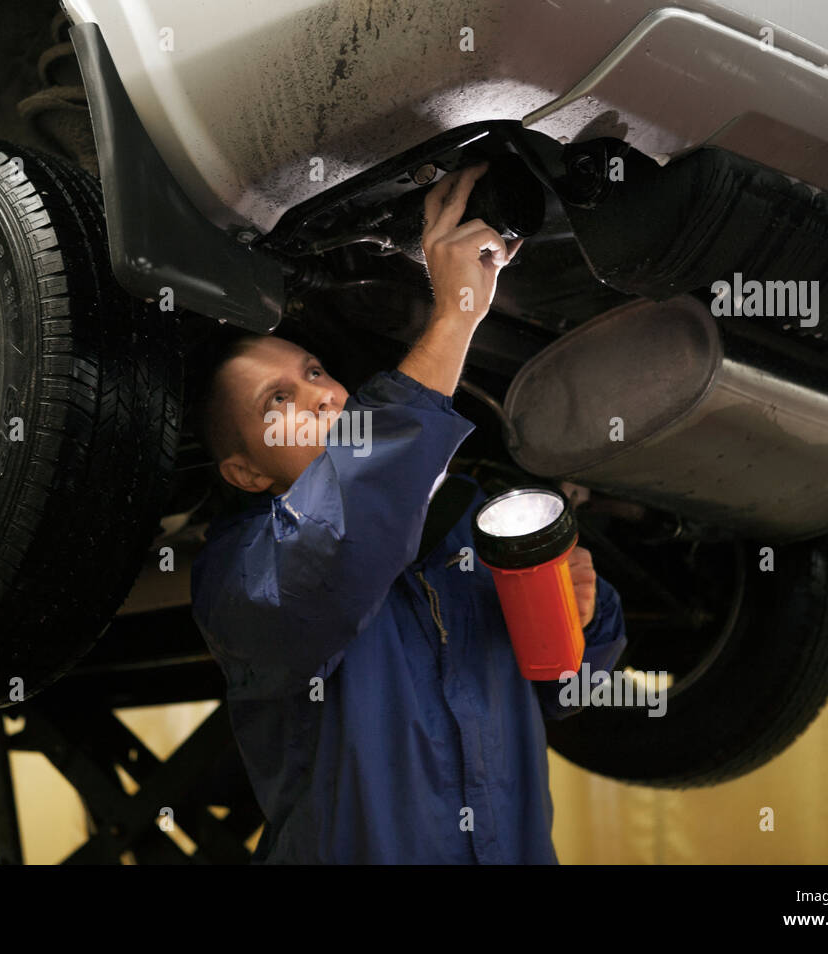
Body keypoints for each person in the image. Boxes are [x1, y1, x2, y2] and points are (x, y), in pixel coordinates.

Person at [188, 162, 628, 863]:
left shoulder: (469, 524)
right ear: (244, 471)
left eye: (311, 371)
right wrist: (454, 316)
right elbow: (340, 540)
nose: (322, 396)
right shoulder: (244, 578)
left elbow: (568, 689)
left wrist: (586, 610)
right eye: (277, 402)